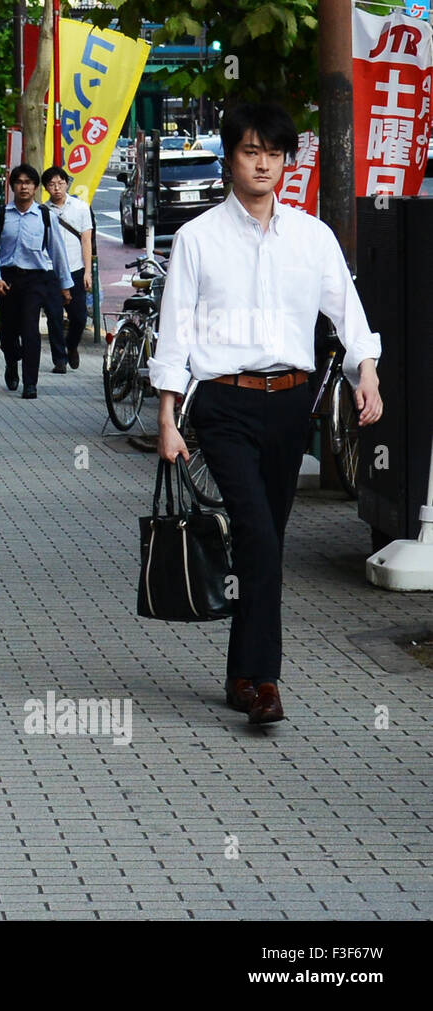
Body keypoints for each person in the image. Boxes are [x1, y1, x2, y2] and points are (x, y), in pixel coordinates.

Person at [152, 101, 383, 726]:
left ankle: (240, 674)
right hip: (223, 404)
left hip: (290, 406)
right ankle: (266, 683)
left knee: (267, 541)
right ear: (230, 158)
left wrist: (368, 371)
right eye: (251, 152)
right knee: (256, 532)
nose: (263, 164)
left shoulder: (313, 238)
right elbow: (174, 333)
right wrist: (168, 419)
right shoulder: (197, 238)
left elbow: (348, 312)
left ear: (286, 161)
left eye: (274, 154)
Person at [0, 163, 72, 399]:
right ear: (12, 186)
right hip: (8, 279)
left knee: (30, 330)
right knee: (9, 332)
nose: (24, 187)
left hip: (35, 279)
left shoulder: (44, 216)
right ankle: (11, 362)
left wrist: (65, 285)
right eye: (20, 182)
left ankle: (30, 383)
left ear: (35, 188)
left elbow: (56, 250)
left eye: (29, 183)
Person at [41, 165, 92, 370]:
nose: (57, 188)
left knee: (79, 317)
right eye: (52, 184)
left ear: (67, 184)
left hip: (75, 269)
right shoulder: (43, 211)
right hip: (51, 271)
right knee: (54, 317)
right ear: (46, 187)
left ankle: (71, 346)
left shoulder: (80, 208)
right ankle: (59, 360)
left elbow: (86, 240)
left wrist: (88, 271)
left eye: (60, 183)